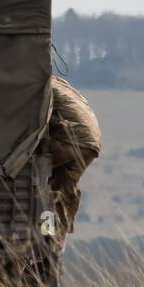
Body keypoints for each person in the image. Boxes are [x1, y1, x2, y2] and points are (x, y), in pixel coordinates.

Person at [47, 75, 102, 249]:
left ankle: (47, 236)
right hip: (90, 143)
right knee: (63, 186)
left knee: (37, 181)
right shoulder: (60, 84)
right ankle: (55, 239)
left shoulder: (38, 85)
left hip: (71, 140)